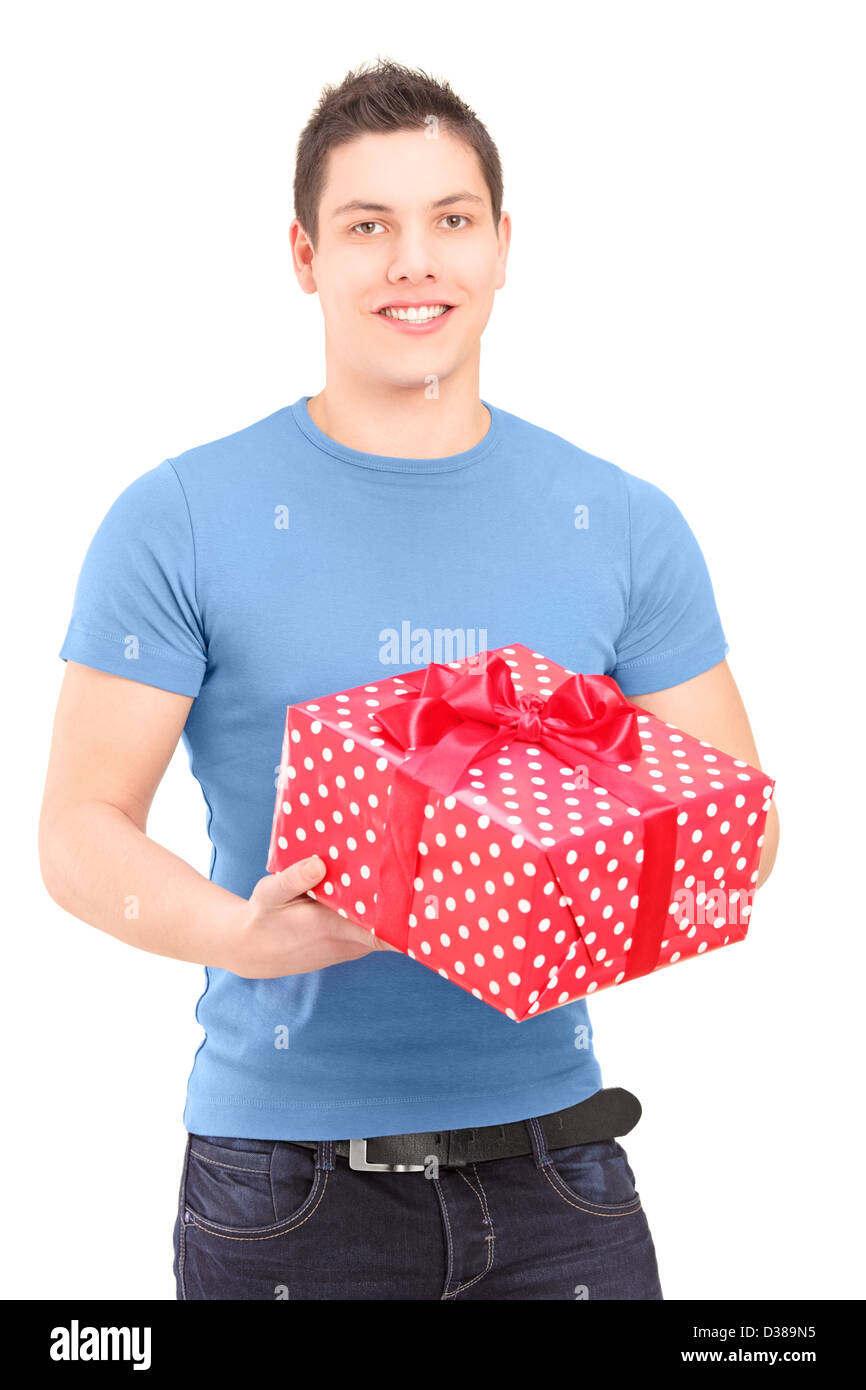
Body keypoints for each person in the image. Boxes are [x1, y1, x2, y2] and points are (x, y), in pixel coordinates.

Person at [39, 58, 779, 1302]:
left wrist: (581, 839)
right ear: (302, 255)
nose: (411, 262)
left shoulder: (621, 522)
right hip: (281, 1185)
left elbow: (737, 835)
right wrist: (241, 935)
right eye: (366, 226)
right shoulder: (179, 517)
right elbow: (75, 830)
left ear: (501, 247)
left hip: (563, 1171)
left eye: (450, 220)